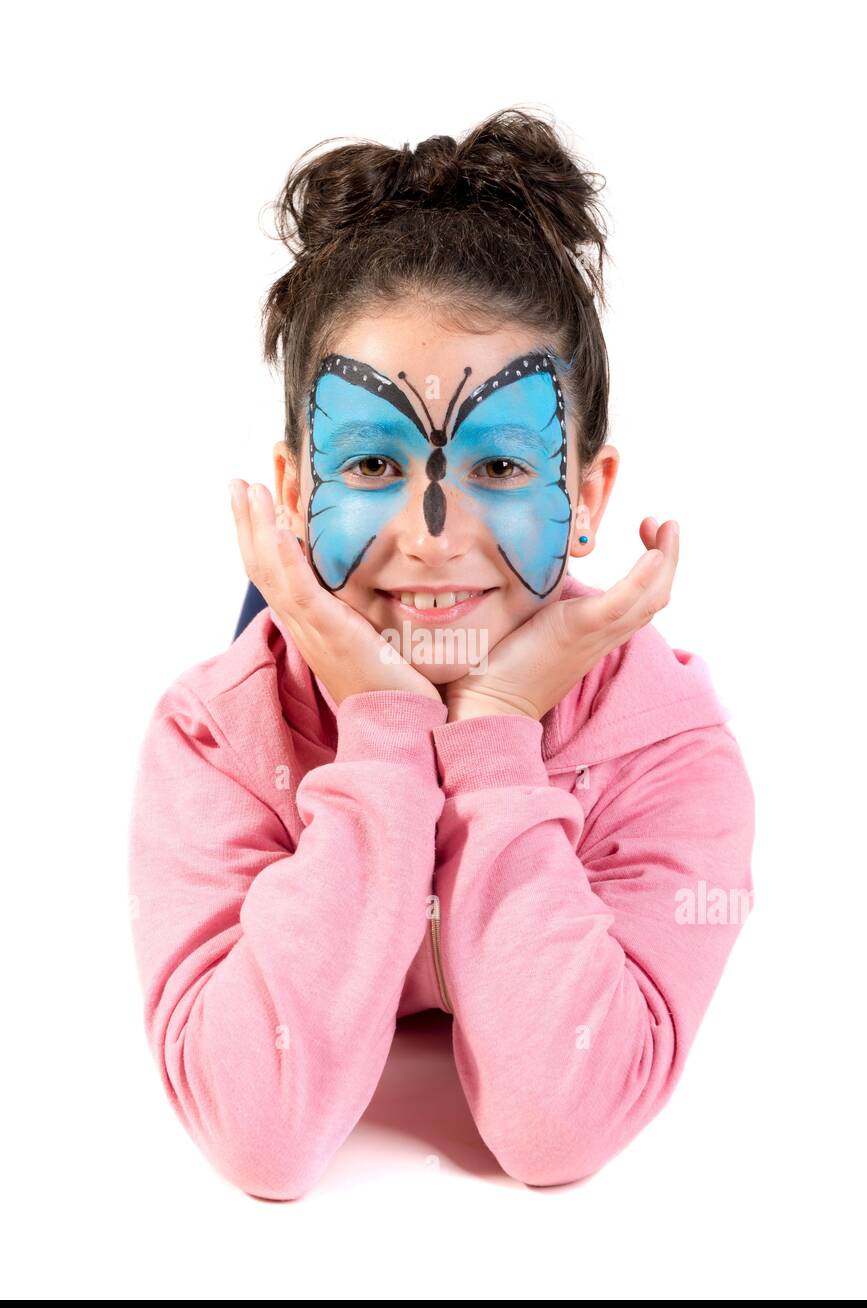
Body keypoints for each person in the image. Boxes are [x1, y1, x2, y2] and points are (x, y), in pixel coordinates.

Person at [128, 107, 755, 1200]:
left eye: (503, 470)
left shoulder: (665, 746)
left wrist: (502, 726)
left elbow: (559, 1125)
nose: (431, 532)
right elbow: (260, 1138)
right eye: (370, 465)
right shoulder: (215, 735)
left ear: (588, 497)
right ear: (292, 493)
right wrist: (378, 730)